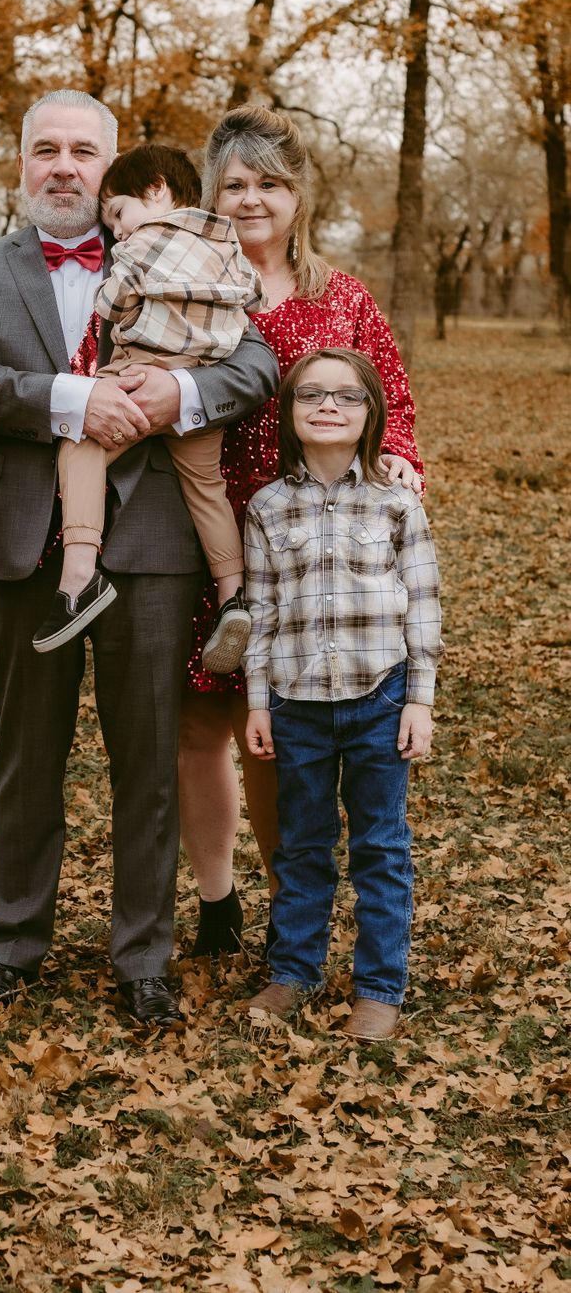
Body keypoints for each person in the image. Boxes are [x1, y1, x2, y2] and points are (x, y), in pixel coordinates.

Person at [0, 89, 279, 1026]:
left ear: (109, 165)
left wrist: (179, 393)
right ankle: (13, 944)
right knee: (25, 758)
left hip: (154, 545)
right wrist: (69, 401)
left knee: (148, 764)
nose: (63, 166)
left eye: (82, 151)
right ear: (20, 163)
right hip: (27, 551)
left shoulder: (183, 246)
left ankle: (143, 958)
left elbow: (252, 366)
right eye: (45, 149)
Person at [178, 104, 425, 961]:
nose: (251, 200)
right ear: (213, 193)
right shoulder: (188, 281)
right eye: (234, 184)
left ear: (297, 194)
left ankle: (298, 906)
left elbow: (389, 397)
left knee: (287, 725)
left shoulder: (339, 295)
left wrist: (399, 459)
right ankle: (220, 899)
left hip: (317, 540)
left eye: (269, 184)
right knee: (206, 724)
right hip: (207, 530)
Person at [240, 349, 441, 1040]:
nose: (328, 405)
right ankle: (294, 970)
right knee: (302, 843)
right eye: (311, 395)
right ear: (289, 414)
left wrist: (420, 697)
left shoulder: (394, 499)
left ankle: (380, 986)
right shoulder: (267, 506)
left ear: (370, 414)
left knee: (381, 844)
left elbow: (423, 603)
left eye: (347, 396)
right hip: (297, 703)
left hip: (380, 698)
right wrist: (258, 702)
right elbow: (259, 612)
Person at [32, 142, 263, 673]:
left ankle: (79, 573)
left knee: (81, 444)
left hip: (140, 368)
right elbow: (250, 297)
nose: (117, 230)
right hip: (200, 380)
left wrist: (115, 294)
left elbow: (115, 302)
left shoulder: (143, 243)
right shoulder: (225, 239)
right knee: (208, 490)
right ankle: (234, 593)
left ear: (156, 191)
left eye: (118, 213)